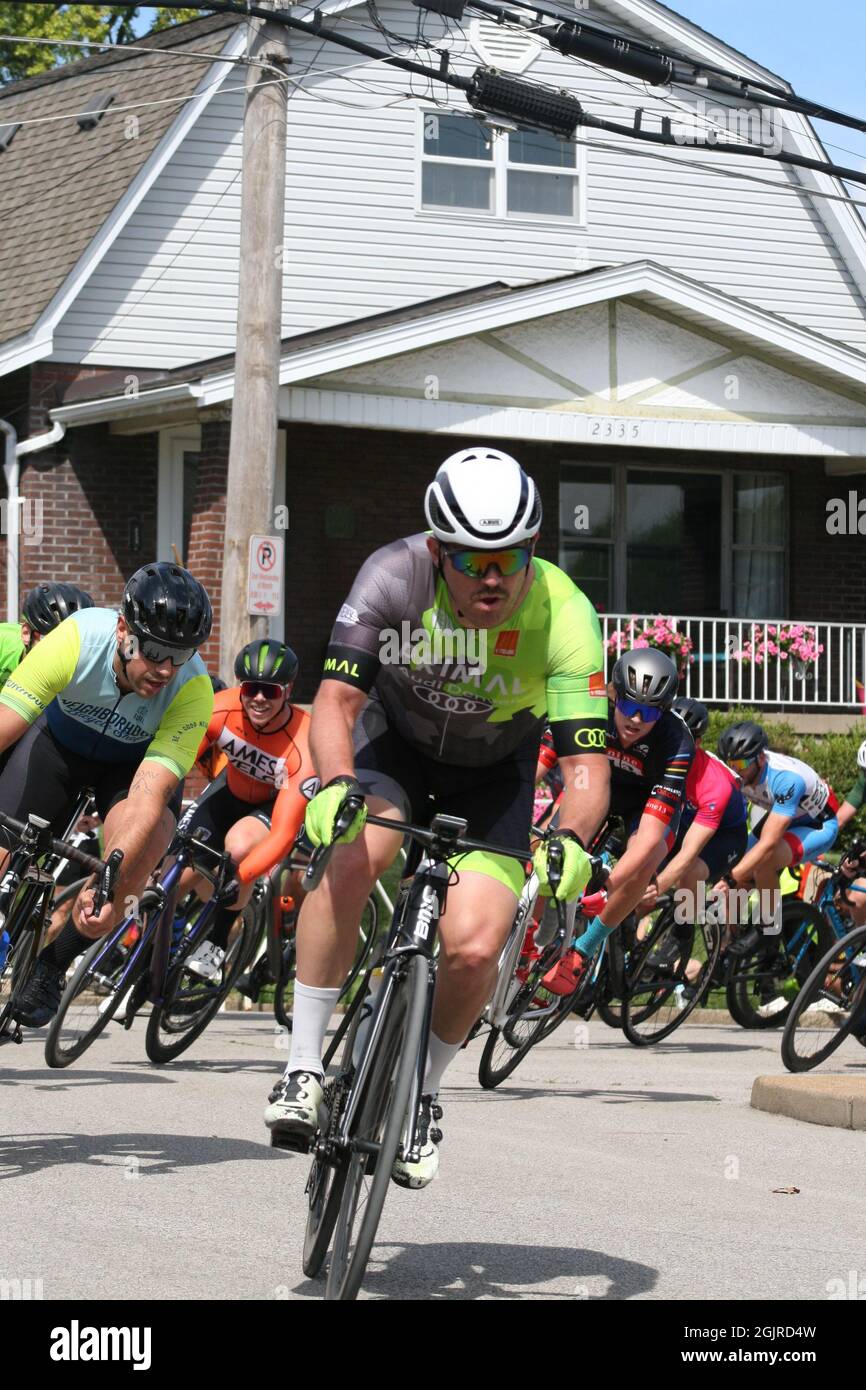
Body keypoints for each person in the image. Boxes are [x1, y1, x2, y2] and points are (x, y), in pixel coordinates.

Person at [264, 446, 610, 1186]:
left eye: (509, 558)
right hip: (397, 747)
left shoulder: (568, 615)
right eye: (470, 560)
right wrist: (335, 784)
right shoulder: (392, 575)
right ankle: (301, 1067)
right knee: (354, 851)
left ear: (534, 549)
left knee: (477, 948)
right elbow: (337, 701)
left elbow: (585, 766)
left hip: (496, 771)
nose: (492, 577)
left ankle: (422, 1091)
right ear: (435, 549)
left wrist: (574, 837)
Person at [0, 562, 214, 1027]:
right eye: (155, 650)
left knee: (145, 845)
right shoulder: (78, 638)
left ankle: (53, 964)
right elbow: (5, 724)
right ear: (123, 629)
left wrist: (110, 875)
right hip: (58, 746)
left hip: (130, 770)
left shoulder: (192, 688)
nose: (164, 668)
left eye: (180, 654)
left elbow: (146, 796)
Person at [538, 646, 695, 995]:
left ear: (664, 712)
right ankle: (529, 938)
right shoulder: (590, 708)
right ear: (614, 696)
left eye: (649, 712)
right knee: (552, 846)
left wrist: (609, 884)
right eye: (629, 706)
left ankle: (584, 949)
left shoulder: (676, 740)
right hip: (597, 784)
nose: (636, 719)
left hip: (645, 801)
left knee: (644, 862)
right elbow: (540, 764)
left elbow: (650, 837)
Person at [175, 638, 317, 981]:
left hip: (275, 807)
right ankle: (149, 953)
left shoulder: (304, 741)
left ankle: (217, 940)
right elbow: (176, 765)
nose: (258, 698)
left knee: (238, 849)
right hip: (230, 790)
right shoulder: (219, 708)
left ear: (288, 690)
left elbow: (283, 833)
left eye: (270, 692)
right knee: (171, 871)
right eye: (251, 688)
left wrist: (243, 877)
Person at [715, 721, 839, 954]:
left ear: (760, 758)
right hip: (787, 816)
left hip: (818, 824)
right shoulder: (739, 772)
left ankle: (769, 926)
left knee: (763, 860)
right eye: (729, 764)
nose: (735, 771)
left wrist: (732, 879)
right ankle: (731, 939)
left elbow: (769, 843)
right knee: (733, 863)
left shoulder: (785, 779)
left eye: (740, 764)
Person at [0, 582, 94, 690]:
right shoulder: (3, 642)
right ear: (26, 634)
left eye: (72, 647)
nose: (59, 658)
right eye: (51, 643)